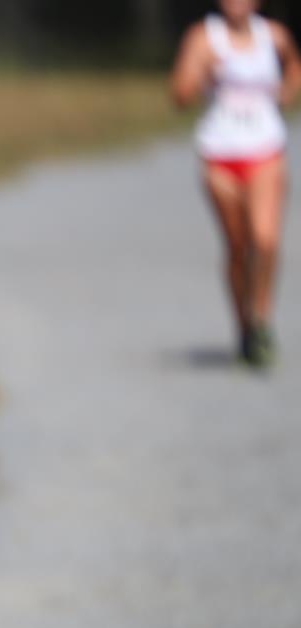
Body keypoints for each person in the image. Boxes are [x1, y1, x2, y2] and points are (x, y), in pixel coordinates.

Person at [171, 0, 301, 367]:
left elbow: (294, 67)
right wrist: (199, 76)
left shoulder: (273, 36)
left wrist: (288, 90)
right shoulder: (202, 39)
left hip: (265, 150)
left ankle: (261, 317)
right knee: (238, 245)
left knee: (265, 239)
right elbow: (179, 96)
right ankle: (242, 324)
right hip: (219, 153)